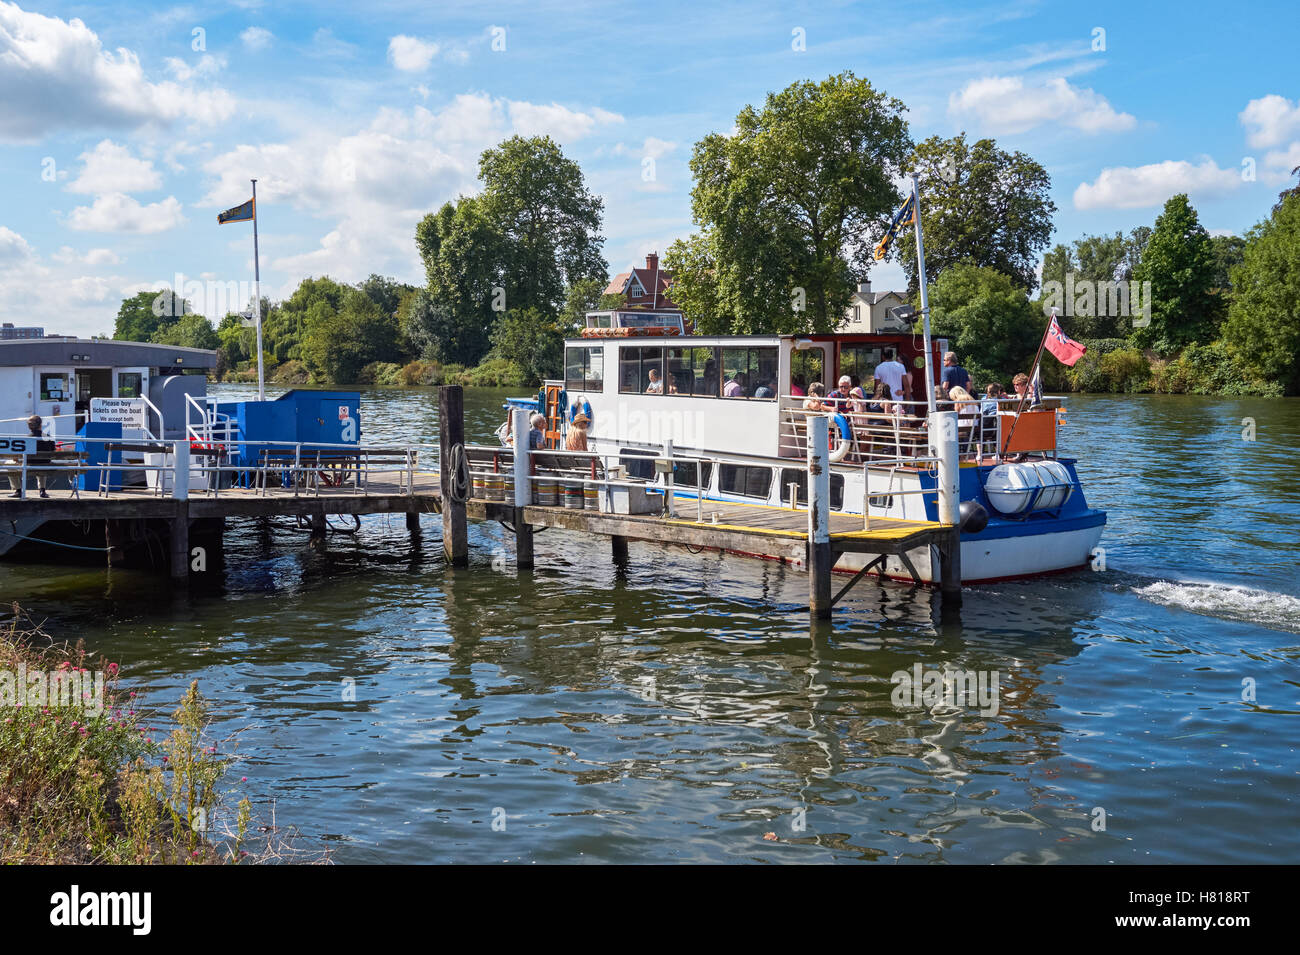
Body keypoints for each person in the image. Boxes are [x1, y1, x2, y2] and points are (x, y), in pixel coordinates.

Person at [6, 415, 52, 499]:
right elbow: (53, 452)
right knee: (42, 463)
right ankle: (42, 490)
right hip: (44, 467)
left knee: (9, 463)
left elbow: (19, 455)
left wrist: (16, 459)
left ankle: (18, 490)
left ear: (29, 427)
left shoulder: (26, 439)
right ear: (40, 425)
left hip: (28, 467)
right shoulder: (48, 437)